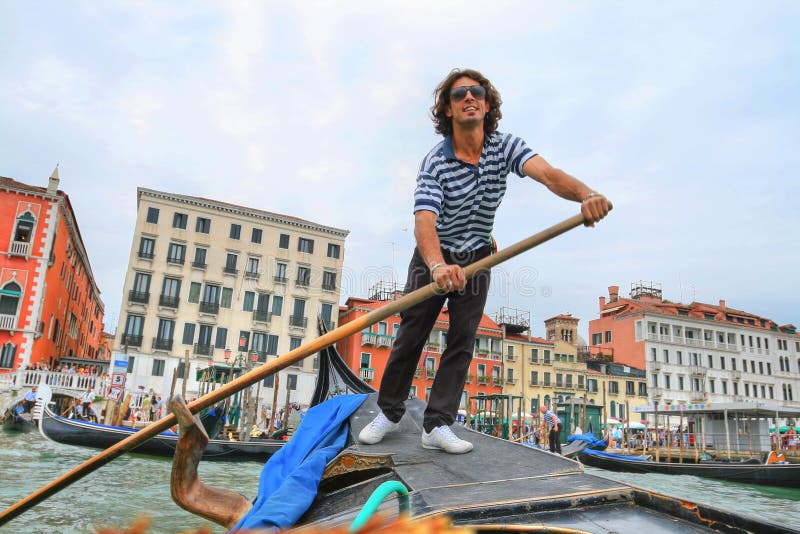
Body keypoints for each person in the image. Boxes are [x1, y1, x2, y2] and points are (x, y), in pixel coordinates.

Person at [358, 68, 609, 454]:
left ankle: (437, 424)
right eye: (459, 95)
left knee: (462, 337)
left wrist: (585, 195)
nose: (469, 98)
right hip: (434, 255)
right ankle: (389, 412)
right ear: (448, 109)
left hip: (477, 253)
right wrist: (439, 266)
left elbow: (549, 175)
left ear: (487, 104)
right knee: (412, 333)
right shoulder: (435, 163)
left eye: (476, 92)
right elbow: (424, 221)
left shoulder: (503, 146)